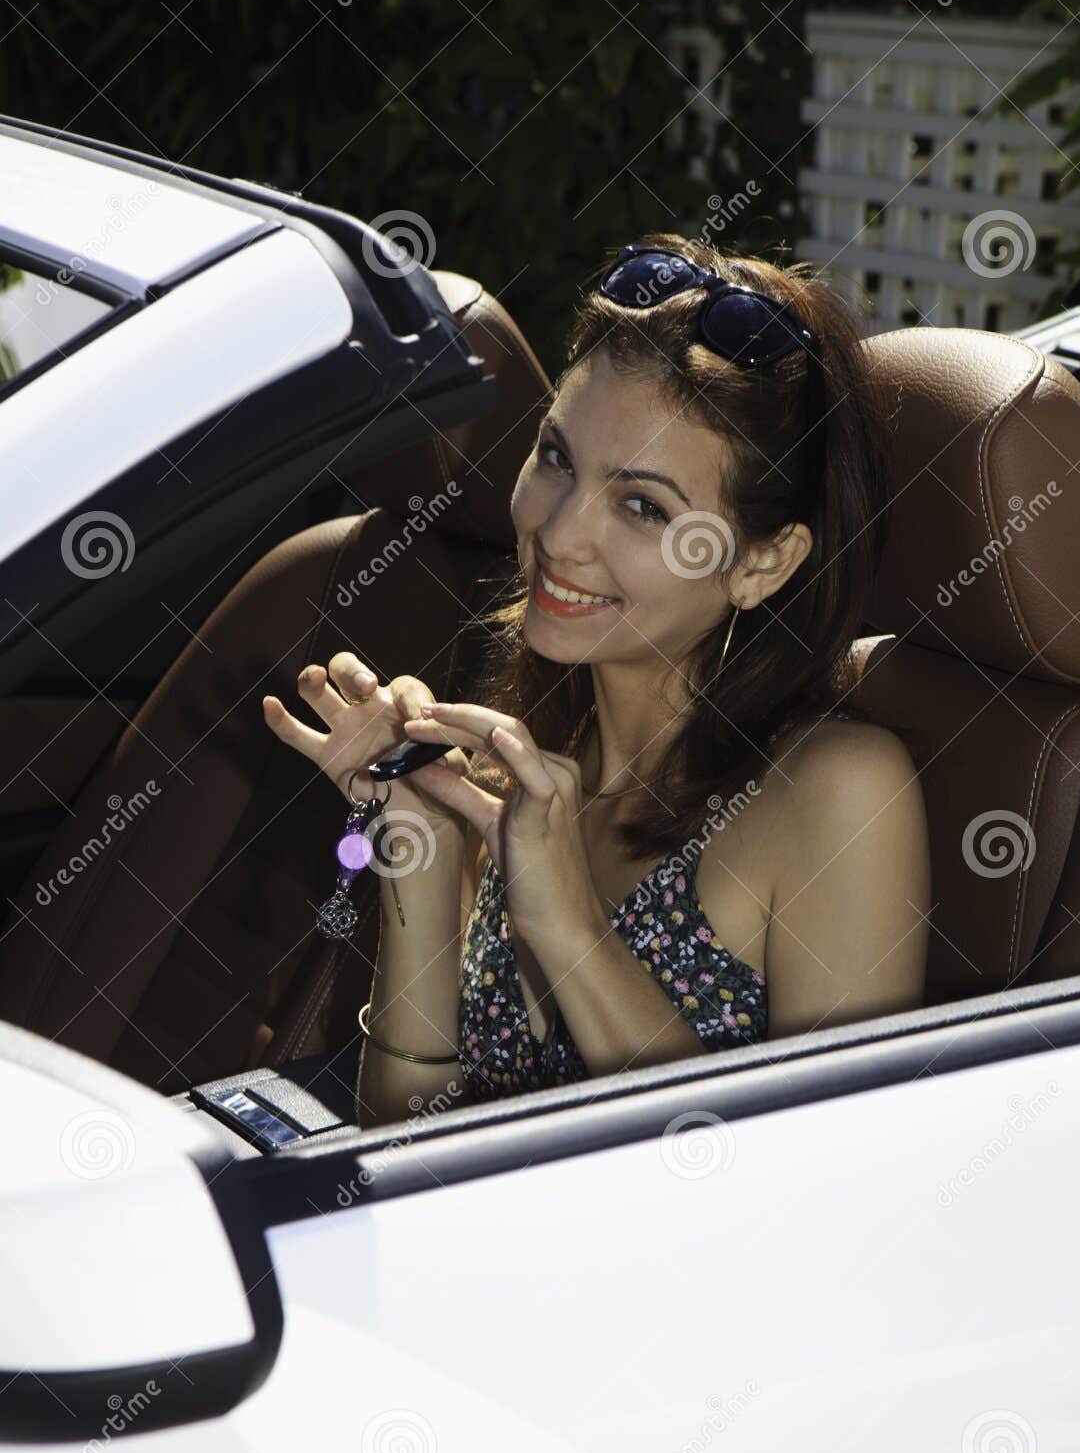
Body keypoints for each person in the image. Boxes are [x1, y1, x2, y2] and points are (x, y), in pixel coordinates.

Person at [262, 235, 931, 1126]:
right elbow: (405, 1139)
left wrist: (573, 932)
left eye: (643, 505)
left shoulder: (839, 796)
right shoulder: (517, 766)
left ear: (762, 564)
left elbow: (820, 1192)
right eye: (555, 458)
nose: (560, 530)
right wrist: (414, 841)